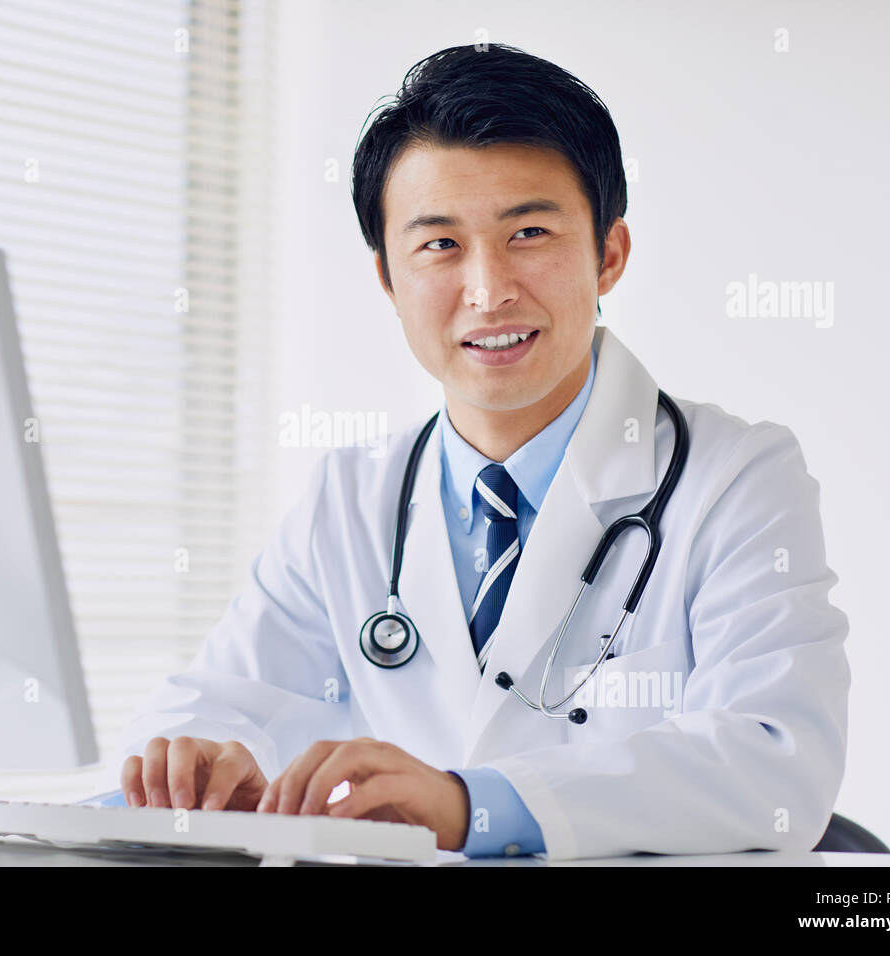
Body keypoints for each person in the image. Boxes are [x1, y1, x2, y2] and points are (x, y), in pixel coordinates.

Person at [110, 43, 850, 859]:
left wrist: (473, 806)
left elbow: (776, 760)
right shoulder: (352, 498)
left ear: (609, 254)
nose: (489, 289)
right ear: (388, 278)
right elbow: (222, 698)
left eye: (528, 232)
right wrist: (196, 762)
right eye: (439, 245)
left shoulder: (736, 478)